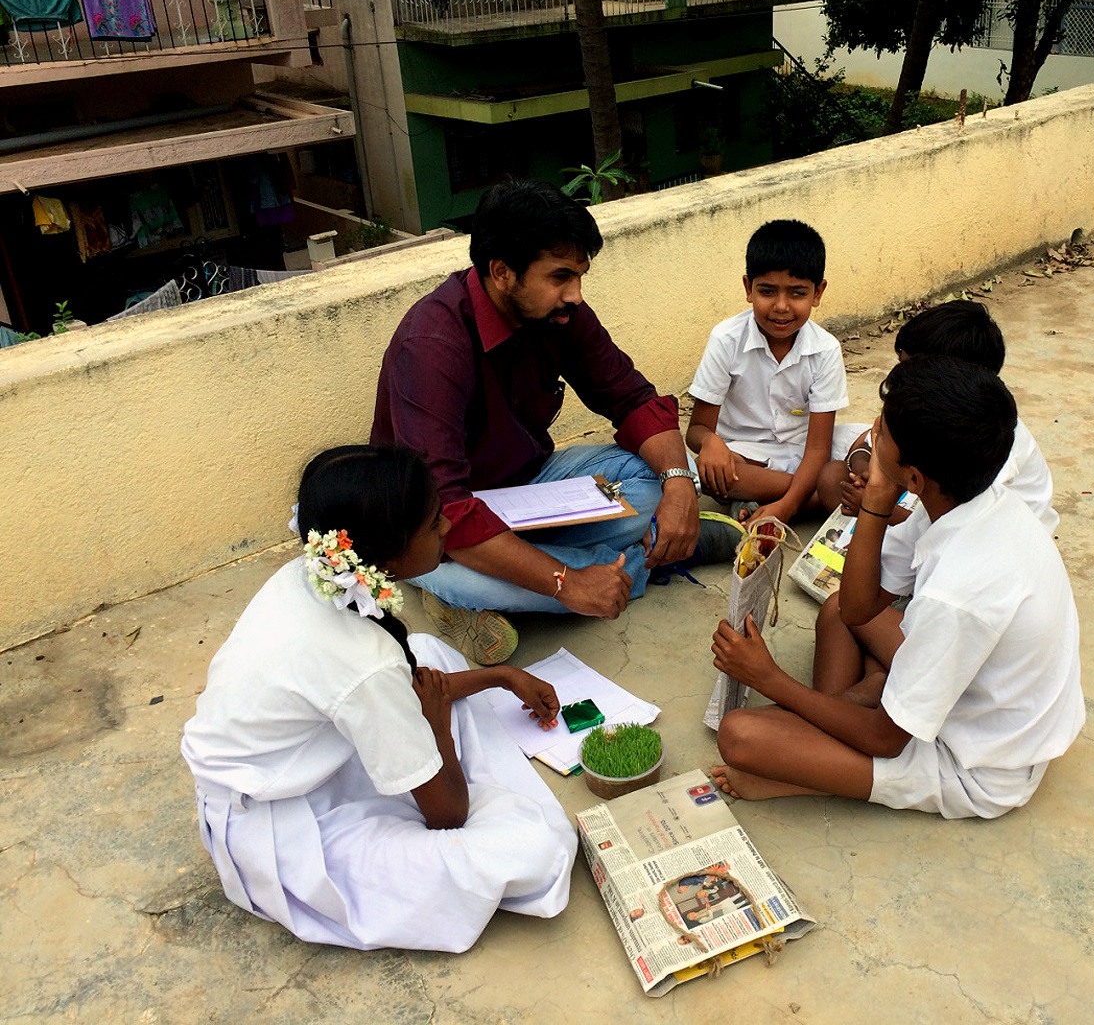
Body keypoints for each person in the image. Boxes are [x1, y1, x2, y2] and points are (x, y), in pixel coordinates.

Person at [181, 446, 578, 952]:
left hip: (296, 761)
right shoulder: (367, 665)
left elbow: (406, 683)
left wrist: (500, 676)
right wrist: (435, 727)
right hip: (270, 827)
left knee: (428, 652)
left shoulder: (314, 574)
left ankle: (419, 760)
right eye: (435, 526)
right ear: (389, 557)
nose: (448, 530)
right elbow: (449, 815)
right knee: (534, 849)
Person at [708, 357, 1085, 819]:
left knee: (741, 735)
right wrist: (877, 502)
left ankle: (816, 770)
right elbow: (858, 608)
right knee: (834, 610)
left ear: (916, 477)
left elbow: (886, 741)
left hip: (978, 765)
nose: (869, 434)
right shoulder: (967, 497)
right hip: (968, 693)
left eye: (881, 432)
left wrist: (770, 679)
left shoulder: (958, 592)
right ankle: (851, 716)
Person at [372, 180, 729, 665]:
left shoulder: (559, 314)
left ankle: (510, 584)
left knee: (662, 469)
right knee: (453, 570)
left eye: (579, 275)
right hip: (431, 525)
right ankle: (644, 560)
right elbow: (448, 511)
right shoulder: (433, 345)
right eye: (560, 276)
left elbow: (633, 399)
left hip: (529, 488)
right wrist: (568, 583)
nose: (575, 295)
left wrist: (681, 487)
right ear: (502, 272)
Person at [816, 299, 1058, 536]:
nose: (899, 383)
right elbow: (867, 439)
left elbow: (957, 528)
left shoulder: (989, 447)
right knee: (832, 477)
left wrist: (877, 508)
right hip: (922, 492)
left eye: (908, 374)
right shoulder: (933, 414)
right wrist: (864, 469)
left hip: (982, 536)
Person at [686, 219, 862, 525]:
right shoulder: (726, 339)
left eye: (797, 293)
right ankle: (824, 496)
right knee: (713, 471)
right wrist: (711, 443)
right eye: (768, 291)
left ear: (817, 293)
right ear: (748, 288)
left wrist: (785, 508)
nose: (781, 306)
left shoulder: (825, 349)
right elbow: (697, 430)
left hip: (808, 451)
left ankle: (773, 501)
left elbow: (818, 448)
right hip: (747, 455)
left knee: (872, 440)